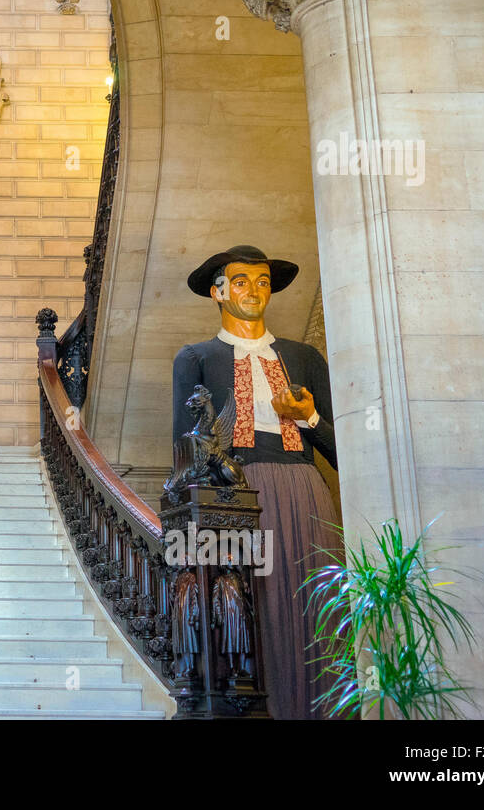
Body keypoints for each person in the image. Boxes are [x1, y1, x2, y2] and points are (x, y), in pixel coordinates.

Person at [171, 244, 342, 720]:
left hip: (305, 491)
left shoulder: (303, 358)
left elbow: (348, 453)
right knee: (250, 610)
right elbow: (184, 454)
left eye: (263, 281)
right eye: (241, 281)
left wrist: (307, 417)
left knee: (318, 603)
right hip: (237, 498)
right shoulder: (196, 358)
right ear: (218, 291)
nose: (254, 291)